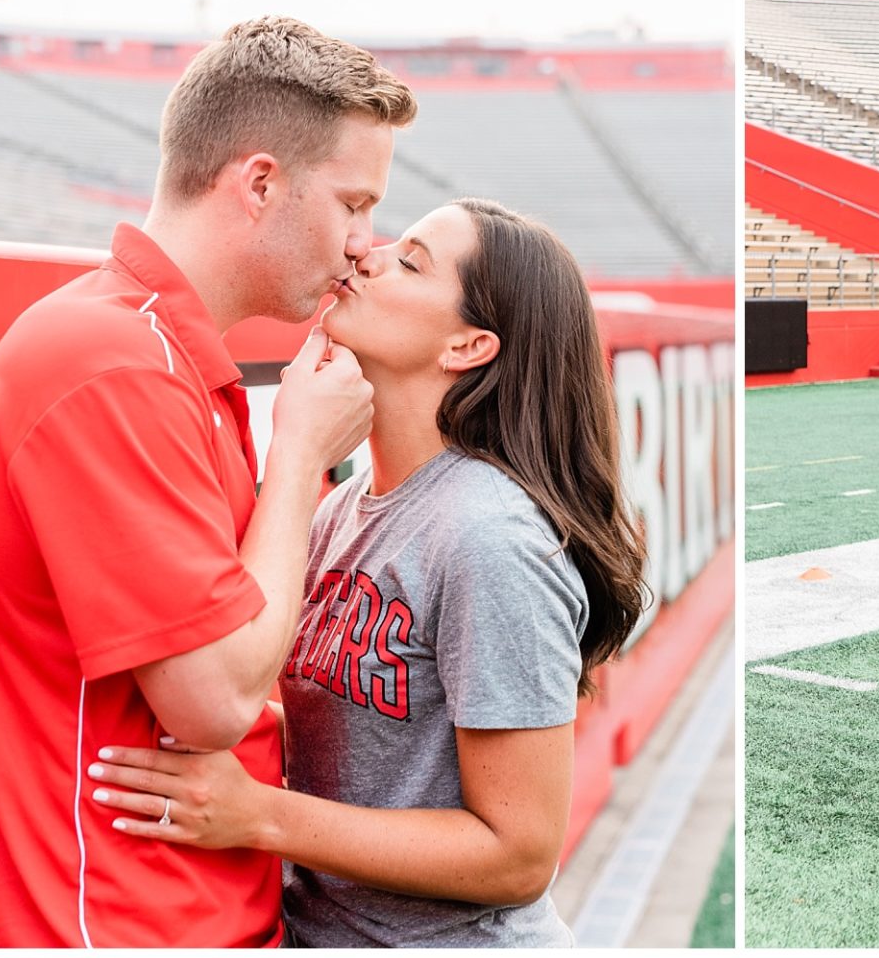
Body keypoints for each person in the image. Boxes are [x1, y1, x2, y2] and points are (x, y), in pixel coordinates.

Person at [83, 199, 650, 946]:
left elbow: (520, 854)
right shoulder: (341, 505)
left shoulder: (491, 535)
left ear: (468, 345)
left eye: (409, 260)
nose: (365, 256)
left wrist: (257, 814)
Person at [0, 16, 415, 947]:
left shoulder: (159, 352)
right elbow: (215, 699)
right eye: (352, 203)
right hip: (114, 922)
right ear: (259, 182)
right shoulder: (114, 363)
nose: (363, 244)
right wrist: (301, 454)